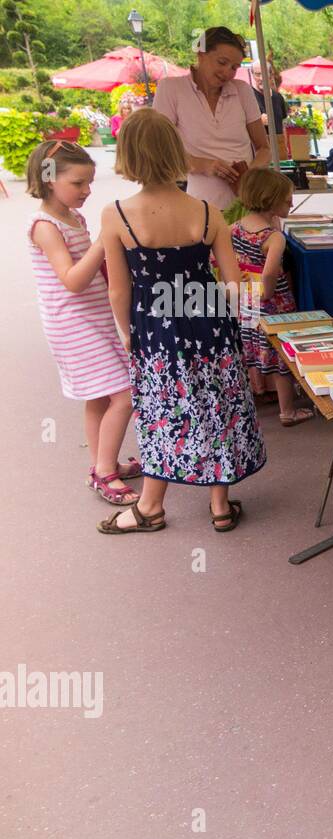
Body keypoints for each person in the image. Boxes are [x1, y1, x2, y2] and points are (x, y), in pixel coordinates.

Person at [97, 108, 266, 534]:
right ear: (176, 152)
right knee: (218, 403)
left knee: (164, 410)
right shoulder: (208, 212)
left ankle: (151, 507)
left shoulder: (116, 214)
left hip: (156, 328)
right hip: (207, 319)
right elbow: (230, 282)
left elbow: (119, 289)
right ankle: (220, 506)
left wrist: (126, 332)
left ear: (129, 156)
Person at [26, 140, 138, 506]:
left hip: (94, 318)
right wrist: (105, 241)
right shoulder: (45, 226)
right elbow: (73, 280)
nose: (87, 191)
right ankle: (104, 472)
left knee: (100, 396)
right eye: (78, 183)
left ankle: (102, 462)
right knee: (123, 394)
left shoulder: (74, 219)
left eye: (89, 182)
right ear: (47, 180)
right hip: (73, 325)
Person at [152, 26, 270, 211]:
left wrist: (249, 174)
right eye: (222, 62)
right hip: (199, 205)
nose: (227, 72)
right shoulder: (171, 89)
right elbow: (160, 151)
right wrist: (204, 165)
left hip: (248, 204)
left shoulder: (242, 90)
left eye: (234, 67)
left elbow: (264, 149)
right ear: (201, 54)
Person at [232, 167, 313, 427]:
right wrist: (266, 291)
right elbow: (269, 275)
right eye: (287, 197)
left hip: (247, 303)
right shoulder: (273, 237)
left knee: (253, 354)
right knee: (281, 361)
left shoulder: (234, 228)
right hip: (273, 304)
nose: (291, 202)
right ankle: (287, 411)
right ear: (270, 199)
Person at [251, 64, 288, 136]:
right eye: (257, 74)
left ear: (270, 75)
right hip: (259, 145)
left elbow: (283, 123)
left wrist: (285, 144)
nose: (261, 78)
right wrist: (258, 122)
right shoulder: (247, 96)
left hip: (279, 143)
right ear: (252, 75)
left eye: (264, 74)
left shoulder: (278, 97)